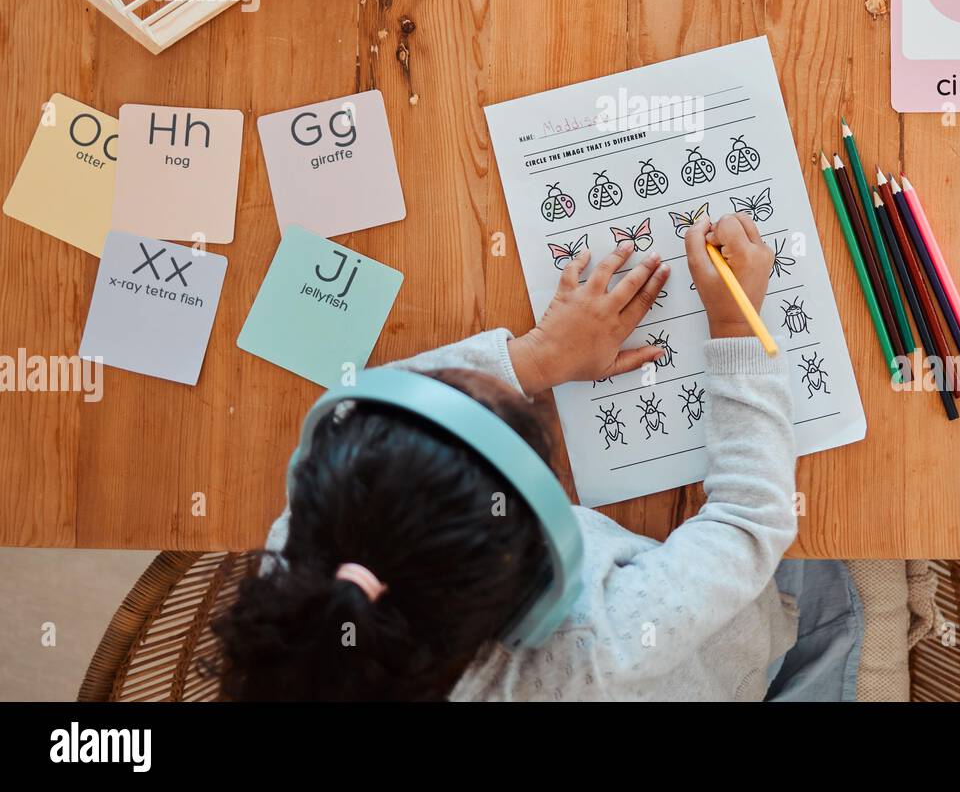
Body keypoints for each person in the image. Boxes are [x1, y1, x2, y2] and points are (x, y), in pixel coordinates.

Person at [216, 214, 862, 701]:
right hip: (714, 656)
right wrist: (737, 329)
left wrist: (537, 357)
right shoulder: (592, 642)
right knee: (828, 583)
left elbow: (373, 408)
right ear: (540, 569)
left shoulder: (310, 564)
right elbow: (750, 522)